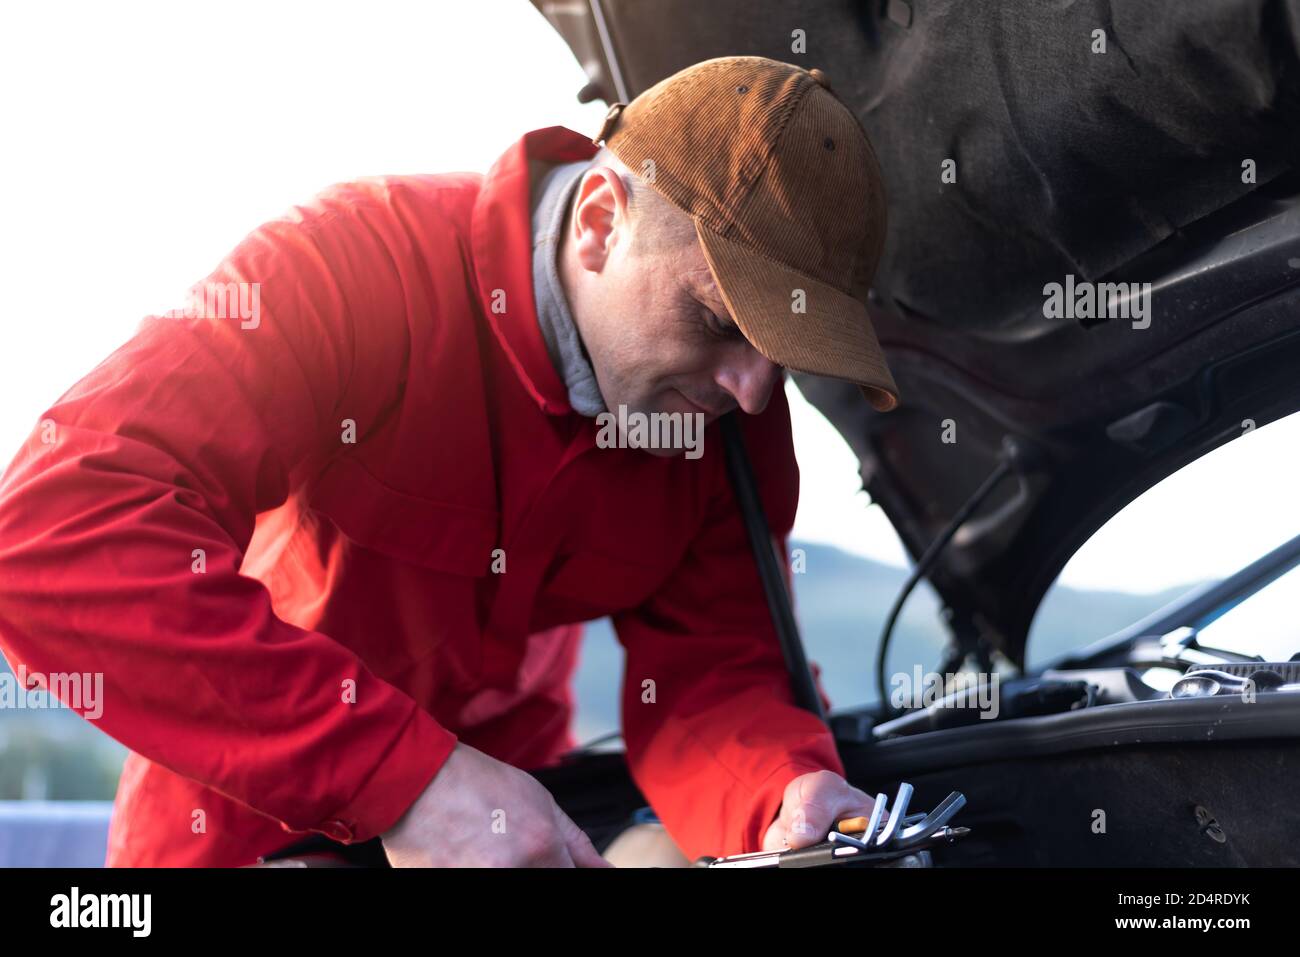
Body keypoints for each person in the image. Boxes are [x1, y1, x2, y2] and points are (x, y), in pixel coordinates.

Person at [0, 56, 898, 867]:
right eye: (719, 322)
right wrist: (407, 776)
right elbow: (51, 534)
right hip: (240, 836)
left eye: (782, 354)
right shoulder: (345, 271)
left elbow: (716, 671)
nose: (750, 391)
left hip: (521, 831)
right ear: (598, 223)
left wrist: (780, 791)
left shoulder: (726, 417)